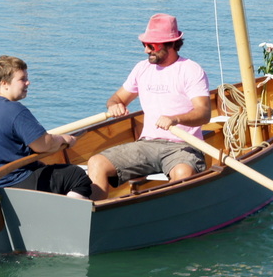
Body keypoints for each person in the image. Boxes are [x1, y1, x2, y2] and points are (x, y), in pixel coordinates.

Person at [87, 14, 212, 200]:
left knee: (182, 174)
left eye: (151, 45)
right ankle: (94, 216)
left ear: (170, 44)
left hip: (183, 146)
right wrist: (114, 105)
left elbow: (204, 113)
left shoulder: (190, 70)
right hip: (148, 144)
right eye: (144, 44)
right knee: (96, 162)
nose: (146, 50)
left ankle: (167, 215)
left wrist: (175, 119)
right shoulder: (142, 68)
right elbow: (117, 98)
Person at [0, 56, 92, 200]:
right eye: (22, 79)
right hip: (7, 182)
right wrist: (65, 139)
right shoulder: (15, 111)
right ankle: (67, 219)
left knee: (41, 166)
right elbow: (44, 144)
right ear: (4, 83)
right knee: (76, 176)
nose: (28, 82)